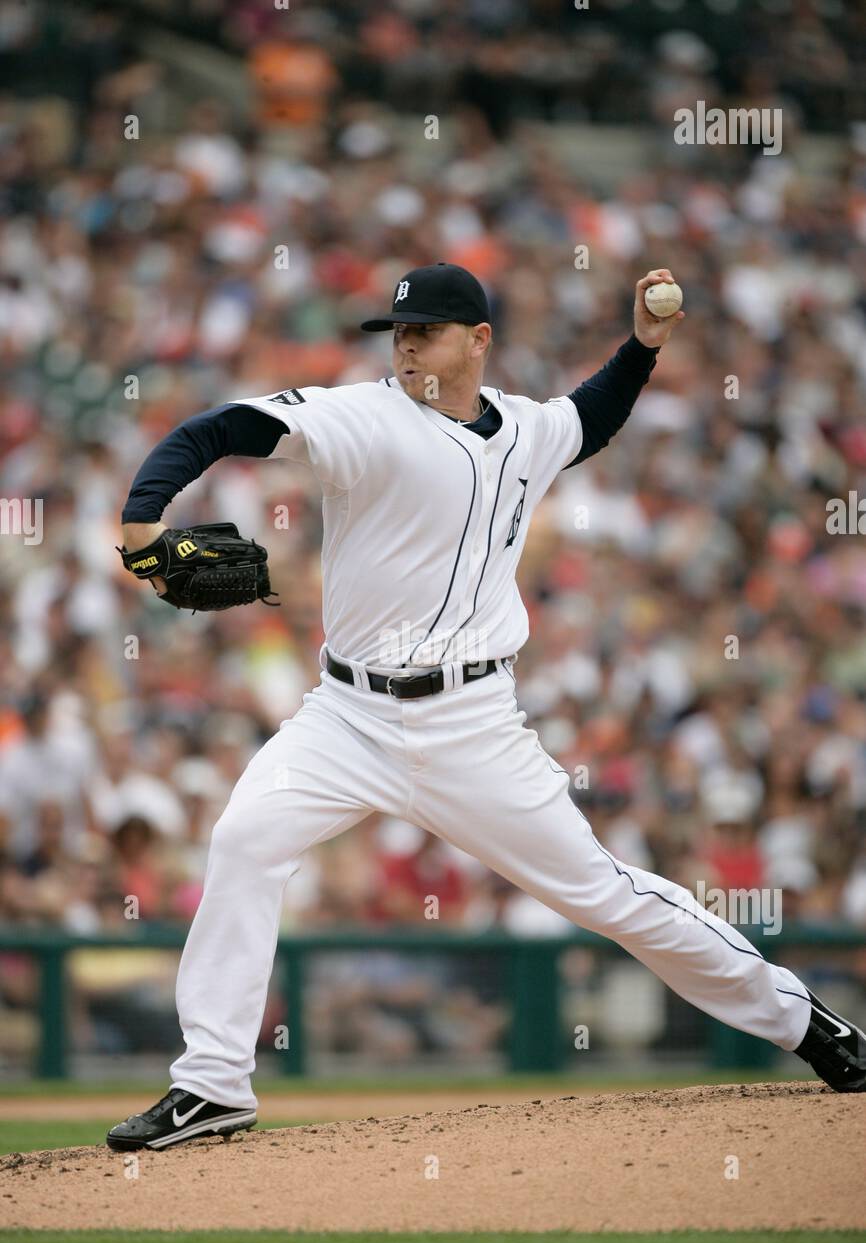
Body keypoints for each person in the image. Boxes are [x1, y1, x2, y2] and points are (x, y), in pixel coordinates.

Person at [107, 262, 865, 1150]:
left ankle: (807, 1024)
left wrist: (645, 346)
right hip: (346, 718)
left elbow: (592, 417)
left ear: (479, 341)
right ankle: (212, 1086)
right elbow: (222, 428)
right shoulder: (364, 418)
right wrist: (142, 519)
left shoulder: (528, 430)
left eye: (426, 332)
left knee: (603, 894)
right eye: (399, 333)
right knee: (242, 841)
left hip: (472, 729)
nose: (408, 347)